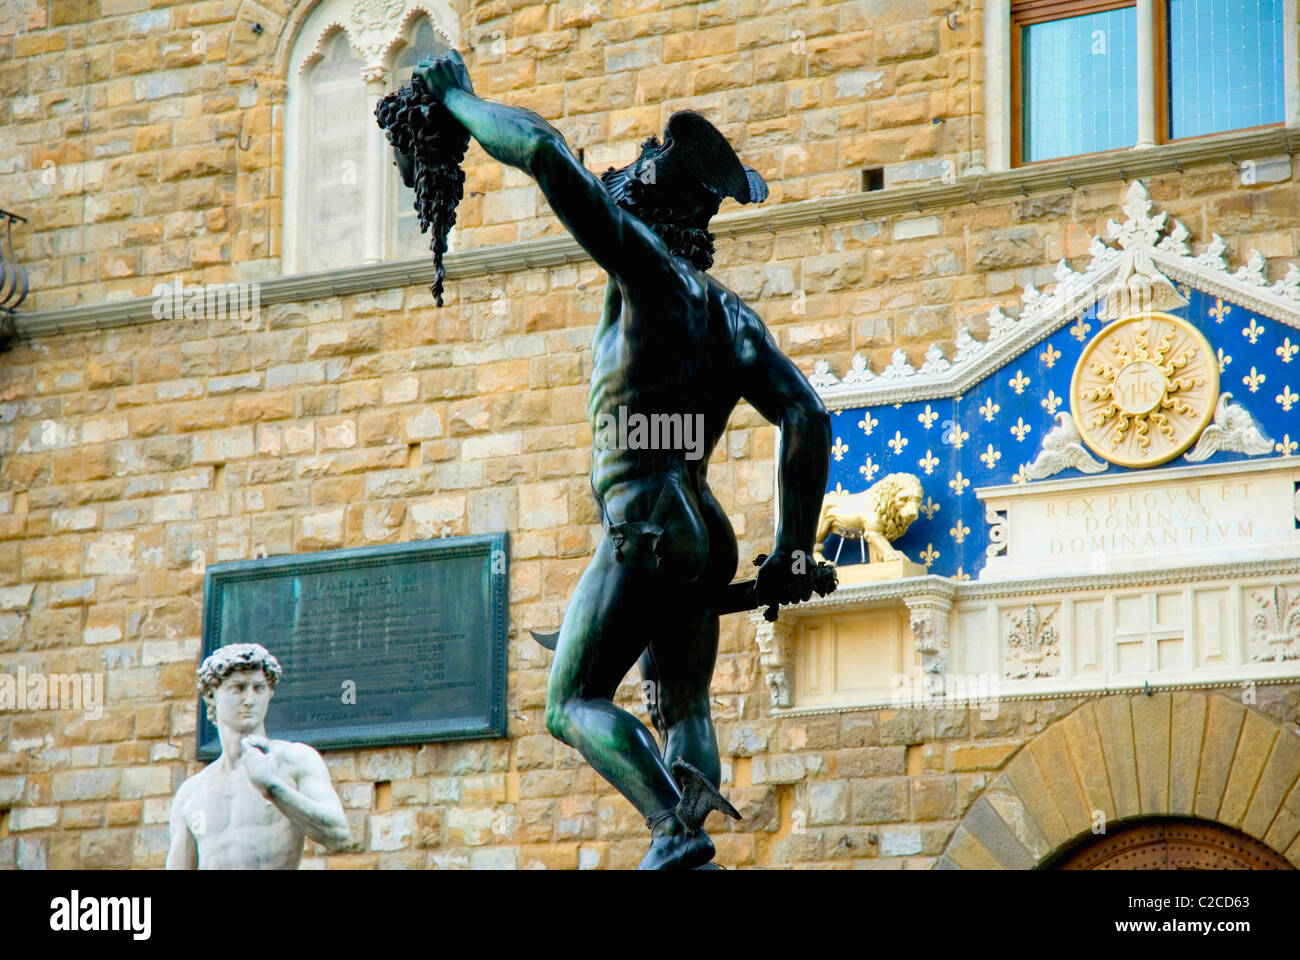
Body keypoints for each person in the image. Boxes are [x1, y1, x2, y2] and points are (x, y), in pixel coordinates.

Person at [412, 50, 830, 869]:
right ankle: (695, 830)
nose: (612, 174)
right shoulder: (730, 316)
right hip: (704, 527)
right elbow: (805, 417)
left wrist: (456, 96)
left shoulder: (642, 265)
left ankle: (671, 825)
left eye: (630, 167)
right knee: (683, 708)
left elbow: (539, 149)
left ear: (646, 196)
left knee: (570, 702)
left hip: (647, 520)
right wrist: (791, 549)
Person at [166, 643, 351, 869]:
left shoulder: (293, 761)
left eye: (259, 688)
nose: (250, 699)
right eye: (238, 688)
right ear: (212, 695)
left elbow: (339, 835)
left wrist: (273, 788)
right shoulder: (191, 793)